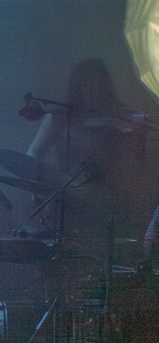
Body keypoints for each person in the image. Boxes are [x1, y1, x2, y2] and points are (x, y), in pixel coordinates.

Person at [26, 58, 145, 261]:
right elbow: (32, 156)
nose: (92, 91)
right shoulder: (58, 116)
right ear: (76, 87)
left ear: (105, 87)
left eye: (97, 85)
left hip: (103, 205)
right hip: (62, 204)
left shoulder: (119, 118)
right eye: (86, 85)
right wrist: (40, 189)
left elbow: (133, 166)